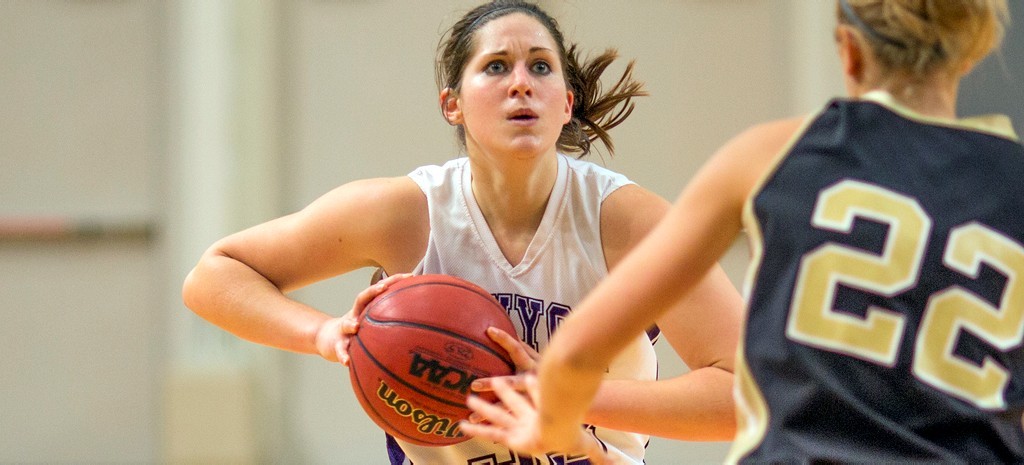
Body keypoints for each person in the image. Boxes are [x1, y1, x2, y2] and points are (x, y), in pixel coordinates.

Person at [460, 0, 1024, 463]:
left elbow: (573, 357)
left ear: (849, 51)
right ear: (970, 54)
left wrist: (558, 428)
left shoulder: (773, 155)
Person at [181, 1, 744, 463]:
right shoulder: (406, 213)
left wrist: (569, 397)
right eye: (496, 66)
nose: (521, 83)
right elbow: (214, 276)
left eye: (541, 67)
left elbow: (744, 392)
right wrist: (325, 334)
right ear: (452, 104)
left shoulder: (627, 222)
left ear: (567, 104)